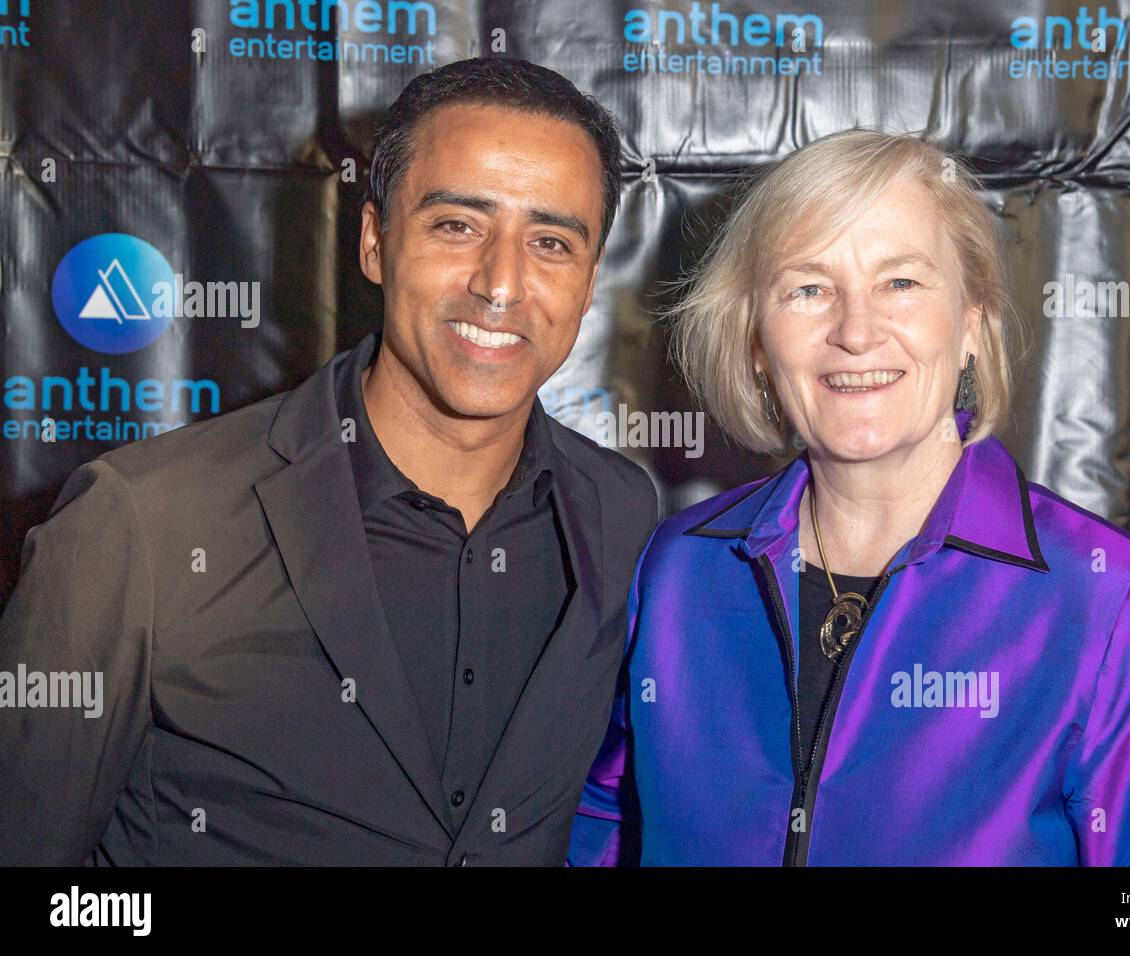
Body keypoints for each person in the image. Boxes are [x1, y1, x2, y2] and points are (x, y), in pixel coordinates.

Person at [0, 57, 658, 866]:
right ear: (376, 241)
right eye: (457, 225)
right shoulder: (144, 523)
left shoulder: (621, 518)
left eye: (551, 241)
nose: (501, 283)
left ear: (590, 281)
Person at [567, 129, 1130, 866]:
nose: (856, 332)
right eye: (808, 288)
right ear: (757, 342)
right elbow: (603, 834)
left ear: (971, 321)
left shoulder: (1116, 605)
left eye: (901, 282)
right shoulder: (675, 571)